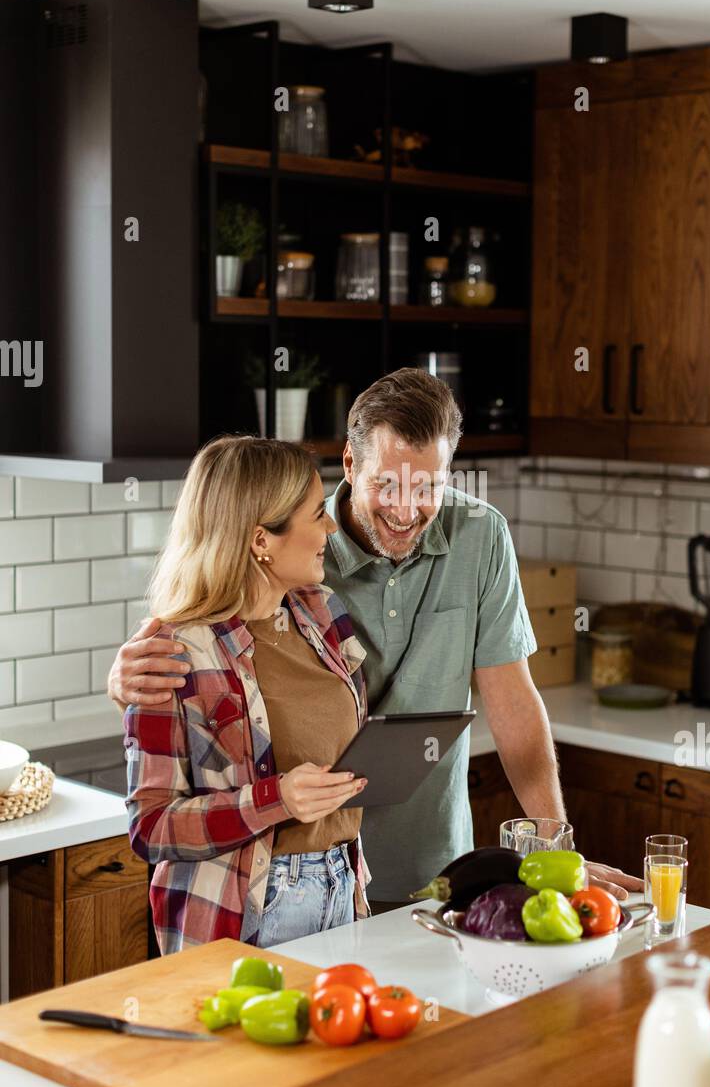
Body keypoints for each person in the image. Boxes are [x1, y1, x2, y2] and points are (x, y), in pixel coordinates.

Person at [111, 369, 641, 908]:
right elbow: (206, 624)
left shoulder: (480, 537)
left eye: (429, 487)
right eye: (386, 484)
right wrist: (130, 676)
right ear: (348, 463)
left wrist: (554, 847)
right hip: (291, 879)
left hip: (432, 869)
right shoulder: (301, 563)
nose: (407, 511)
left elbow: (513, 702)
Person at [123, 435, 369, 953]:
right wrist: (274, 799)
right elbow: (151, 826)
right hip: (245, 912)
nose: (330, 528)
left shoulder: (323, 615)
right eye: (317, 514)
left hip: (345, 890)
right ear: (262, 539)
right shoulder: (172, 653)